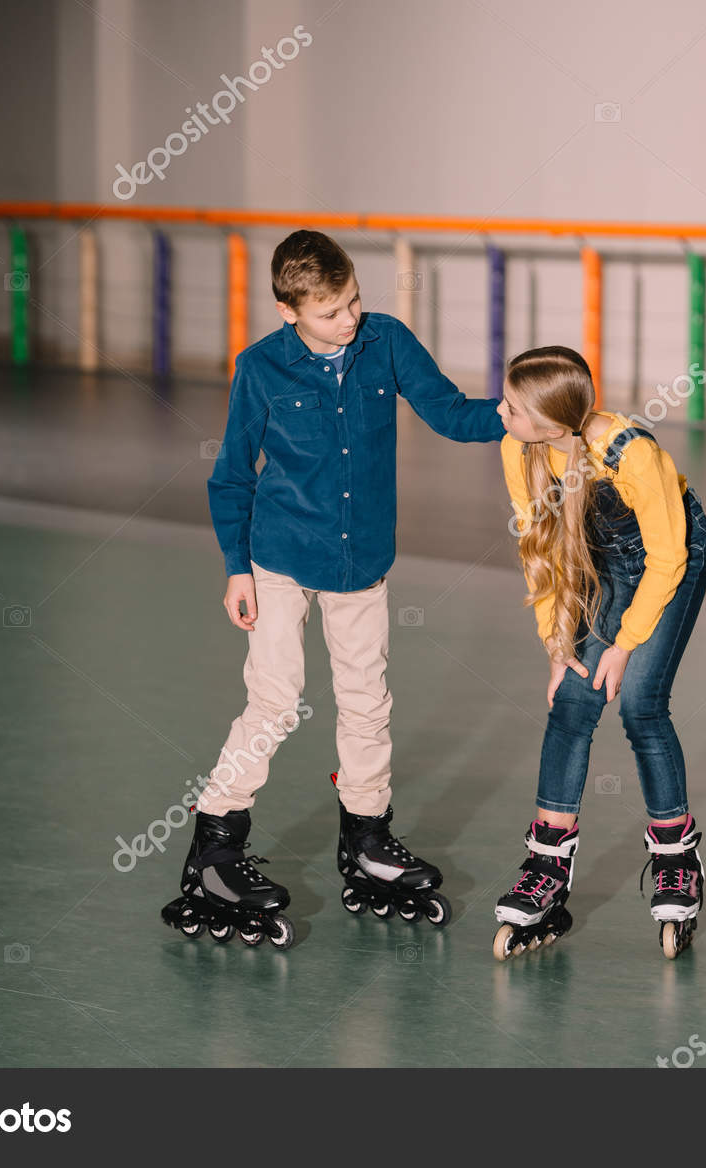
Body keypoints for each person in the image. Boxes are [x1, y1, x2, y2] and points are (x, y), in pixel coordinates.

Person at [162, 230, 505, 948]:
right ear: (290, 310)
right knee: (276, 698)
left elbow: (449, 412)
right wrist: (235, 567)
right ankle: (216, 849)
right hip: (280, 556)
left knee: (365, 700)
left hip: (362, 561)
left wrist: (516, 416)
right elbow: (231, 474)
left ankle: (368, 841)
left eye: (353, 302)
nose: (349, 320)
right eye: (329, 312)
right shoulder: (259, 369)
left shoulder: (386, 342)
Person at [492, 346, 706, 961]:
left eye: (511, 407)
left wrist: (623, 643)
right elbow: (541, 552)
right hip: (596, 560)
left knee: (641, 702)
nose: (499, 411)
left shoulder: (629, 455)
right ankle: (546, 864)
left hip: (670, 560)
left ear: (554, 423)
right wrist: (557, 643)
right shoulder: (518, 448)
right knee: (570, 700)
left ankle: (677, 857)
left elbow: (667, 558)